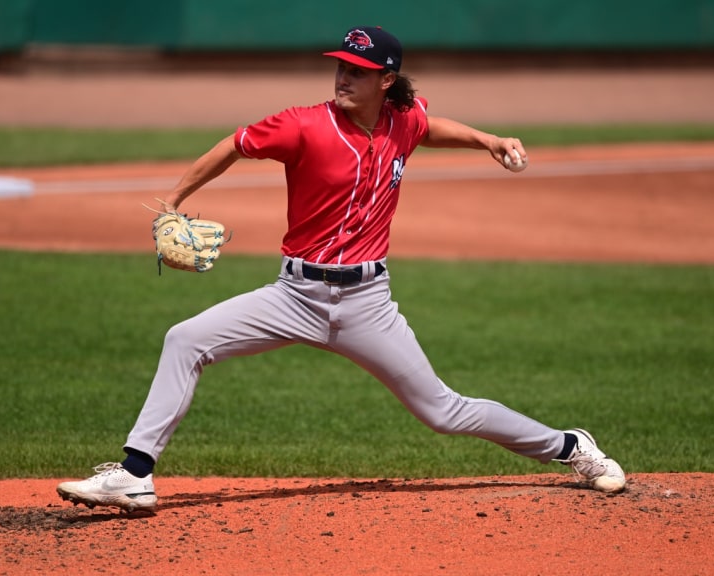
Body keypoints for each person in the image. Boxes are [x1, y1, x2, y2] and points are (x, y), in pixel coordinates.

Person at [57, 26, 626, 513]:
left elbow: (430, 126)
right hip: (293, 296)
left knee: (443, 411)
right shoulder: (301, 125)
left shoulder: (403, 119)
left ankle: (571, 446)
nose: (341, 78)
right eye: (339, 67)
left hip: (366, 305)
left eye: (356, 70)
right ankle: (134, 475)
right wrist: (175, 199)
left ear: (385, 80)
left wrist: (489, 140)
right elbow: (232, 145)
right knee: (185, 340)